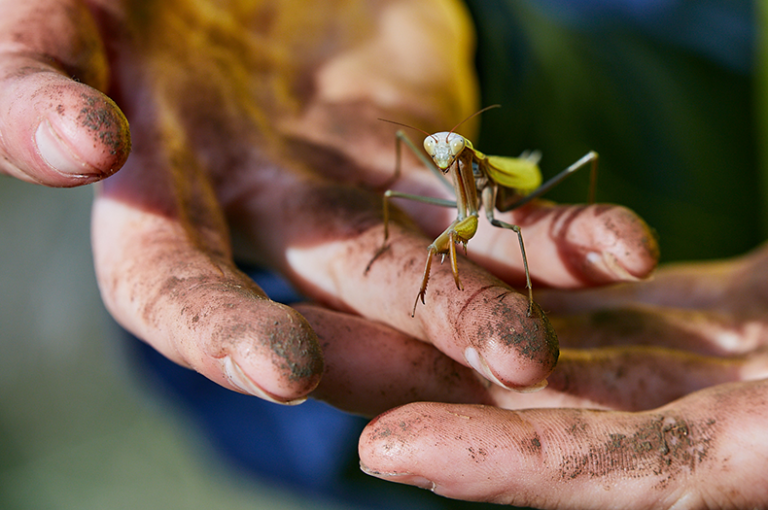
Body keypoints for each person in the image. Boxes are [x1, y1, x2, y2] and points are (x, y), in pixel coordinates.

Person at [1, 1, 764, 509]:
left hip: (560, 172)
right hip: (634, 87)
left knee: (538, 225)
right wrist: (491, 61)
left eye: (450, 151)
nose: (442, 154)